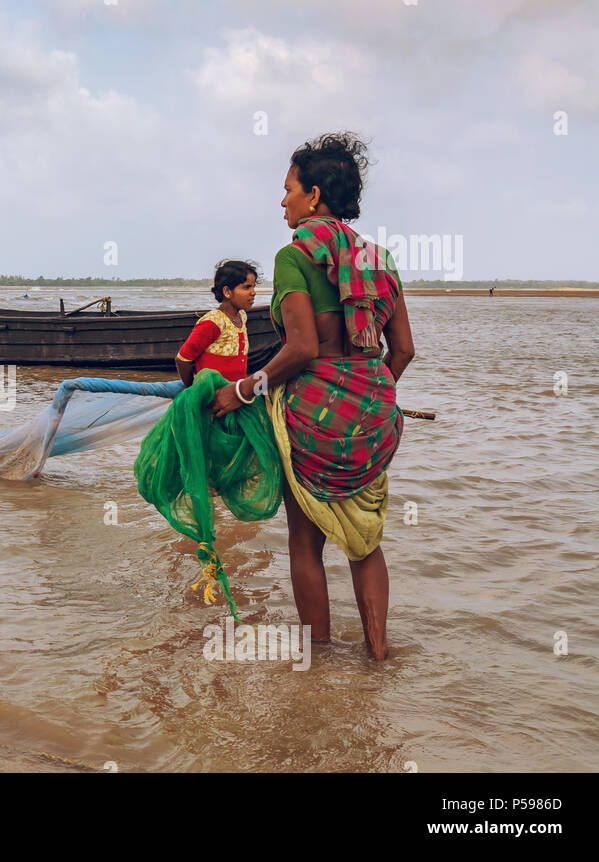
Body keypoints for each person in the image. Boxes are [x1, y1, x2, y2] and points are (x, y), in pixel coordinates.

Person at [210, 132, 415, 661]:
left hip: (310, 420)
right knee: (365, 543)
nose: (283, 201)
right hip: (374, 419)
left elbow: (301, 349)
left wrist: (242, 390)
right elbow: (404, 351)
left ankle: (318, 661)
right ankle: (378, 656)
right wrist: (367, 396)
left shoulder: (293, 256)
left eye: (288, 190)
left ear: (315, 196)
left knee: (306, 542)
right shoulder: (382, 258)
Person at [176, 260, 257, 388]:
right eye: (247, 287)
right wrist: (194, 391)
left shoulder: (242, 316)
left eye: (253, 287)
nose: (253, 292)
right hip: (214, 396)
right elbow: (183, 360)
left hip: (234, 394)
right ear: (227, 292)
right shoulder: (213, 322)